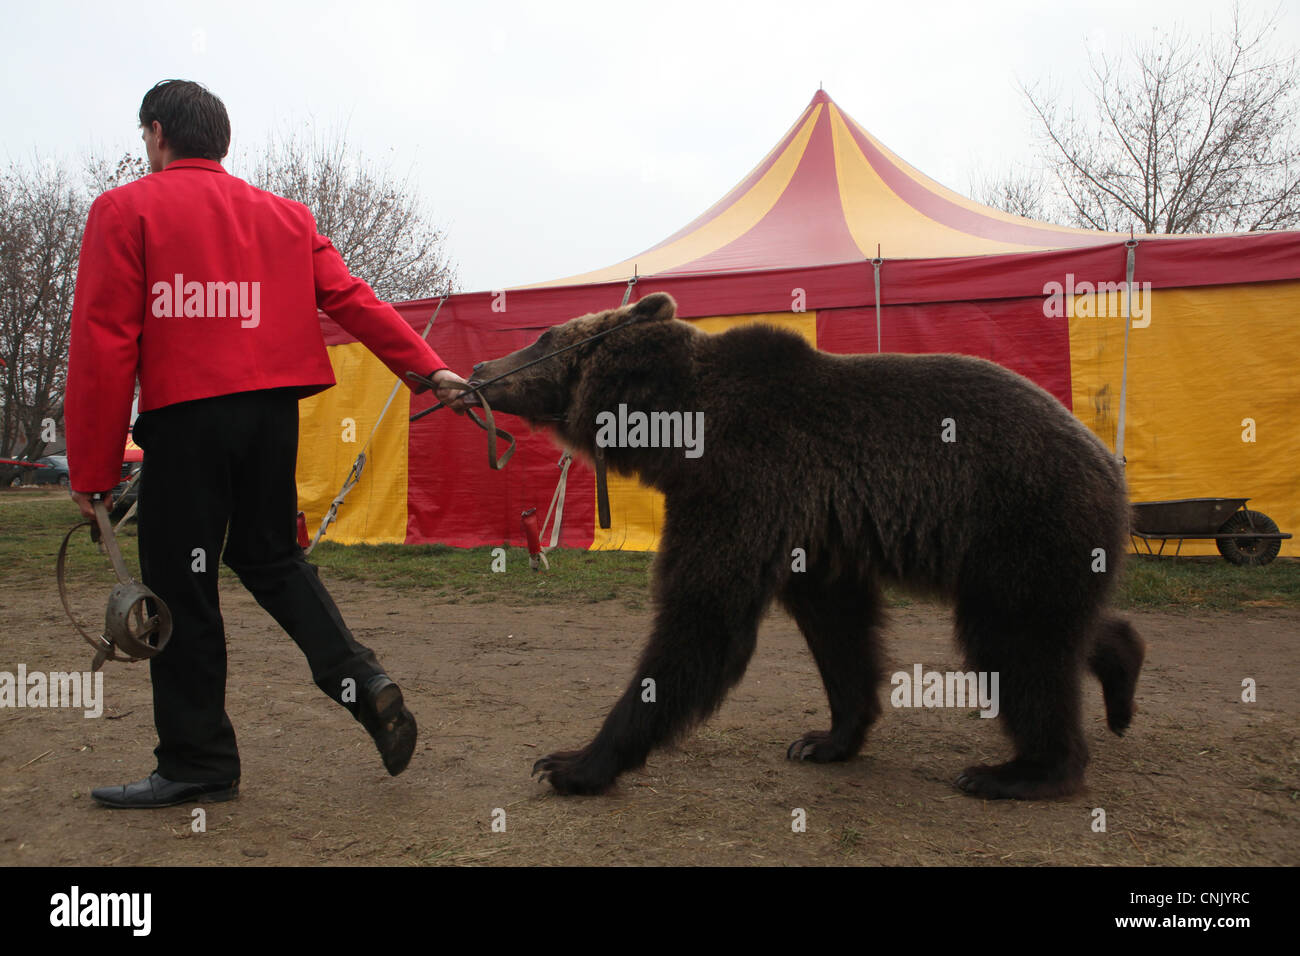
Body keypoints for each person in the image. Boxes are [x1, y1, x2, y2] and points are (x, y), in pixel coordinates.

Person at [65, 79, 468, 808]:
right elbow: (353, 297)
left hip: (187, 421)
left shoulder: (124, 209)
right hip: (273, 416)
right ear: (219, 140)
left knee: (181, 586)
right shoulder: (285, 216)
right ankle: (361, 679)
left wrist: (93, 471)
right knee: (269, 556)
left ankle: (198, 762)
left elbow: (104, 343)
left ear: (157, 134)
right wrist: (429, 367)